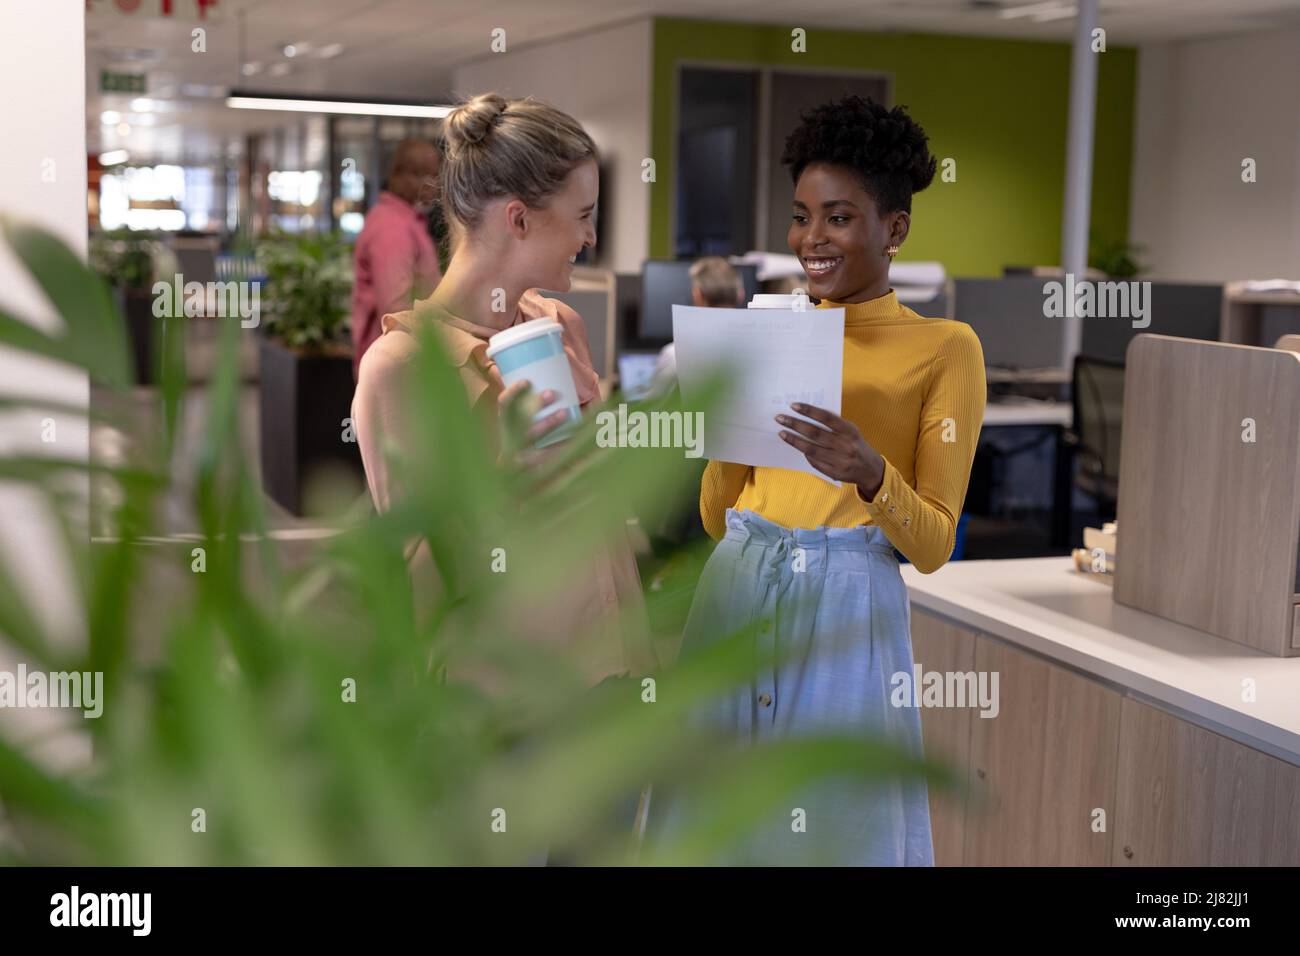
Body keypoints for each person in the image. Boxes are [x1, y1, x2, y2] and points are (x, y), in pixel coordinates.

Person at [650, 96, 986, 865]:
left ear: (893, 228)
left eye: (838, 217)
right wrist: (733, 421)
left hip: (846, 600)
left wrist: (871, 474)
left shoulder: (946, 348)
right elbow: (713, 516)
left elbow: (933, 544)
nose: (811, 240)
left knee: (835, 826)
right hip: (736, 581)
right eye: (802, 217)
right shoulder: (772, 329)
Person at [351, 93, 657, 688]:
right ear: (518, 219)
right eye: (584, 214)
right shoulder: (403, 368)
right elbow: (425, 581)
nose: (591, 236)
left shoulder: (558, 325)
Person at [349, 138, 443, 380]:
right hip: (397, 373)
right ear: (410, 176)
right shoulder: (393, 228)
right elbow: (396, 312)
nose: (437, 186)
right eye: (432, 176)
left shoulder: (401, 221)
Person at [650, 255, 744, 397]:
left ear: (697, 295)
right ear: (741, 295)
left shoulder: (676, 354)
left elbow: (652, 411)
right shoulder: (762, 352)